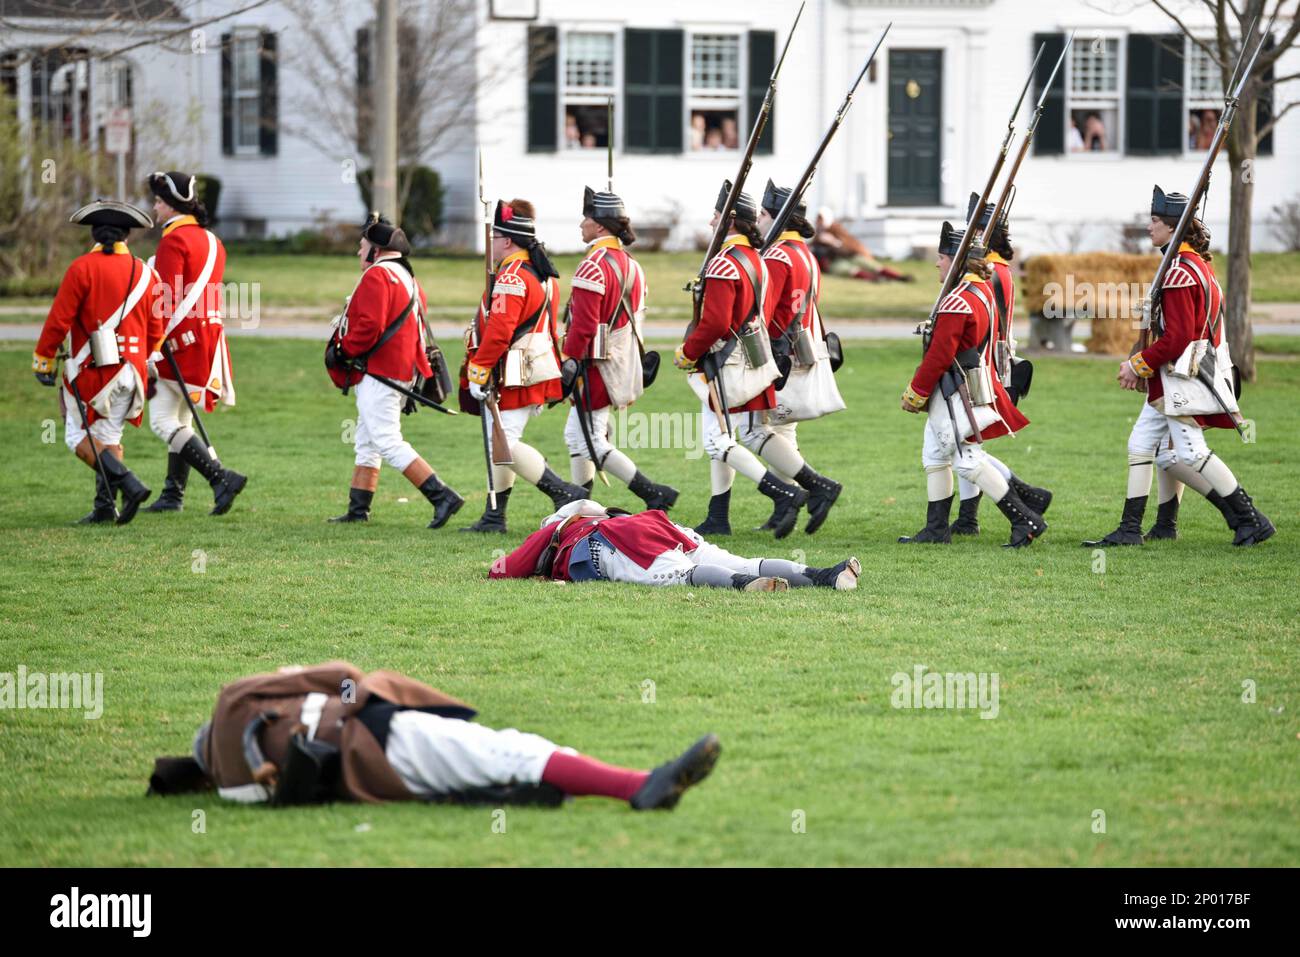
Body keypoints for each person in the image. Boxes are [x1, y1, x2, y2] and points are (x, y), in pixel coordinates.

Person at [148, 661, 720, 812]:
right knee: (513, 748)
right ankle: (641, 786)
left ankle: (526, 793)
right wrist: (353, 700)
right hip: (376, 735)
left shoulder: (232, 784)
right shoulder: (236, 701)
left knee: (504, 758)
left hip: (368, 775)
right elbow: (342, 676)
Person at [1083, 186, 1273, 548]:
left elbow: (1179, 338)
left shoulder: (1179, 273)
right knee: (1142, 443)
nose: (1149, 226)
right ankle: (1130, 529)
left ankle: (1248, 518)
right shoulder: (1193, 265)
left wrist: (1137, 364)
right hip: (1180, 375)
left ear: (1171, 226)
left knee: (1190, 451)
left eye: (1155, 220)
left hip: (1184, 375)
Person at [674, 181, 809, 539]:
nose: (711, 223)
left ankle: (783, 493)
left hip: (722, 361)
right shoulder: (755, 260)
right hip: (742, 357)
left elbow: (716, 322)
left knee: (719, 441)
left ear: (729, 220)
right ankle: (719, 515)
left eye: (716, 217)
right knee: (723, 438)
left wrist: (687, 353)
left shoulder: (726, 262)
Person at [898, 222, 1045, 548]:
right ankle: (936, 528)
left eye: (941, 257)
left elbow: (939, 356)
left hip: (954, 389)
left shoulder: (959, 299)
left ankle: (1024, 518)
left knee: (967, 459)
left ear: (956, 259)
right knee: (935, 454)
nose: (937, 263)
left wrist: (915, 393)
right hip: (963, 384)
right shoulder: (979, 292)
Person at [325, 213, 463, 528]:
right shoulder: (406, 276)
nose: (359, 252)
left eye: (362, 246)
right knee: (367, 438)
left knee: (386, 439)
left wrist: (344, 351)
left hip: (382, 371)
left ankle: (442, 496)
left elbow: (369, 326)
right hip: (398, 369)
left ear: (376, 249)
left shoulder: (377, 275)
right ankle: (358, 509)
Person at [32, 200, 163, 525]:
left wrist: (44, 359)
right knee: (109, 436)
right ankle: (105, 507)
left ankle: (129, 484)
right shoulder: (147, 273)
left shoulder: (82, 268)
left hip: (93, 371)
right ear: (127, 236)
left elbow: (58, 321)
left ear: (94, 233)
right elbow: (156, 330)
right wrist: (144, 363)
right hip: (132, 372)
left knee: (78, 438)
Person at [461, 199, 587, 533]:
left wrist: (479, 368)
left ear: (507, 240)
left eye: (494, 237)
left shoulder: (512, 277)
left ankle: (561, 491)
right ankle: (494, 516)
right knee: (500, 439)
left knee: (503, 442)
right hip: (535, 366)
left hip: (515, 371)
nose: (491, 244)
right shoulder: (541, 274)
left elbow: (501, 330)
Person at [560, 186, 678, 510]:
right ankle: (578, 503)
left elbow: (584, 326)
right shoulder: (632, 265)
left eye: (586, 218)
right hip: (620, 360)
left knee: (590, 439)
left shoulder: (593, 265)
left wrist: (568, 360)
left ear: (599, 226)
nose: (581, 224)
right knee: (577, 436)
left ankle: (652, 492)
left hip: (595, 364)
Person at [947, 192, 1052, 537]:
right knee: (967, 447)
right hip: (988, 365)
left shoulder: (990, 272)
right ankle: (972, 517)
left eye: (973, 230)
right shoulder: (997, 268)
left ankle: (1016, 502)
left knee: (964, 447)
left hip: (983, 368)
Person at [142, 171, 247, 516]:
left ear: (171, 205)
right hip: (207, 341)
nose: (155, 209)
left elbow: (166, 300)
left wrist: (153, 345)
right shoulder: (213, 241)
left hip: (178, 342)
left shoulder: (174, 241)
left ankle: (220, 477)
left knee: (161, 421)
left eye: (158, 202)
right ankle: (173, 494)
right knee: (180, 420)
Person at [490, 499, 861, 592]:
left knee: (679, 575)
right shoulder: (610, 514)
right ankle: (828, 575)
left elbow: (504, 569)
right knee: (742, 559)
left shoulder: (560, 530)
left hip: (615, 545)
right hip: (659, 525)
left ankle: (738, 586)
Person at [751, 179, 844, 534]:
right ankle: (787, 503)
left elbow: (766, 311)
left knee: (759, 430)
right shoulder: (804, 253)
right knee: (782, 432)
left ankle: (813, 489)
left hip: (780, 355)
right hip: (800, 350)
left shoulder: (775, 255)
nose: (758, 220)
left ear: (776, 217)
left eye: (763, 214)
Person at [812, 207, 911, 282]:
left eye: (821, 219)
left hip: (849, 255)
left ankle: (898, 277)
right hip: (834, 260)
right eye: (818, 219)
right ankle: (875, 279)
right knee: (849, 270)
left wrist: (834, 242)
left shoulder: (836, 229)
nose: (819, 222)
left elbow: (849, 244)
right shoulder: (817, 234)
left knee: (873, 266)